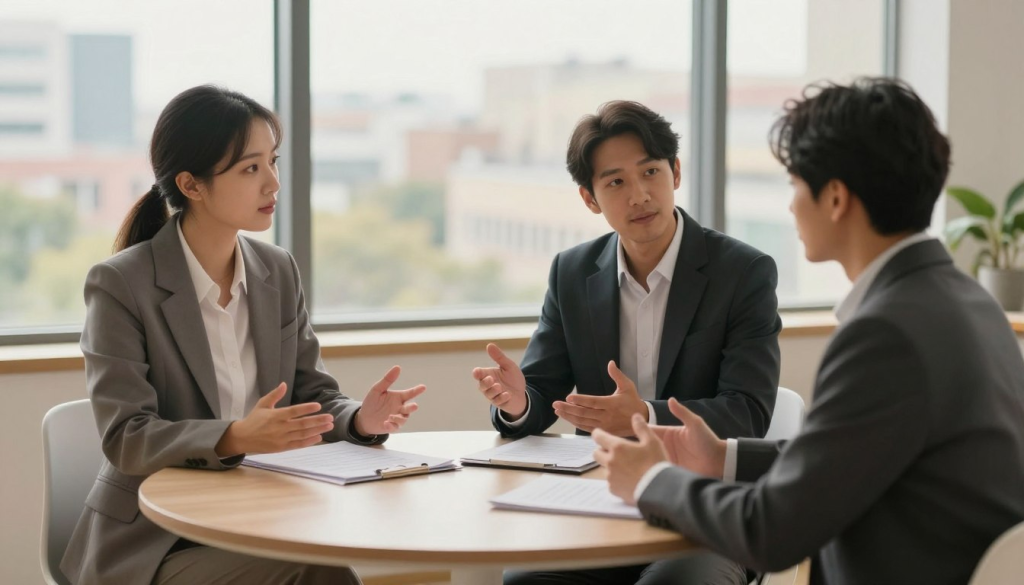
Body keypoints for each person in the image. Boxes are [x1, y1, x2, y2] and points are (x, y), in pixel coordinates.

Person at [593, 78, 1024, 585]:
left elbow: (771, 532)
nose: (792, 206)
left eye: (796, 185)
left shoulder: (886, 335)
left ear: (836, 198)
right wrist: (723, 456)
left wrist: (652, 480)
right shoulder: (971, 302)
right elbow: (846, 455)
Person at [60, 85, 425, 585]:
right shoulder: (122, 283)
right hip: (155, 542)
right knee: (316, 570)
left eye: (273, 162)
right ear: (191, 185)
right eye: (250, 169)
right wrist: (235, 435)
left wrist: (360, 419)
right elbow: (127, 437)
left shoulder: (277, 270)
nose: (273, 183)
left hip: (258, 513)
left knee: (320, 563)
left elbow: (312, 396)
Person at [473, 100, 782, 585]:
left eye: (650, 172)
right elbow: (543, 397)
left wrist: (646, 416)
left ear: (675, 172)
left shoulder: (743, 272)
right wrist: (516, 402)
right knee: (525, 579)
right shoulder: (572, 273)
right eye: (615, 181)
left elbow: (748, 412)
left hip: (705, 510)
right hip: (603, 500)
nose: (639, 195)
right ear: (590, 198)